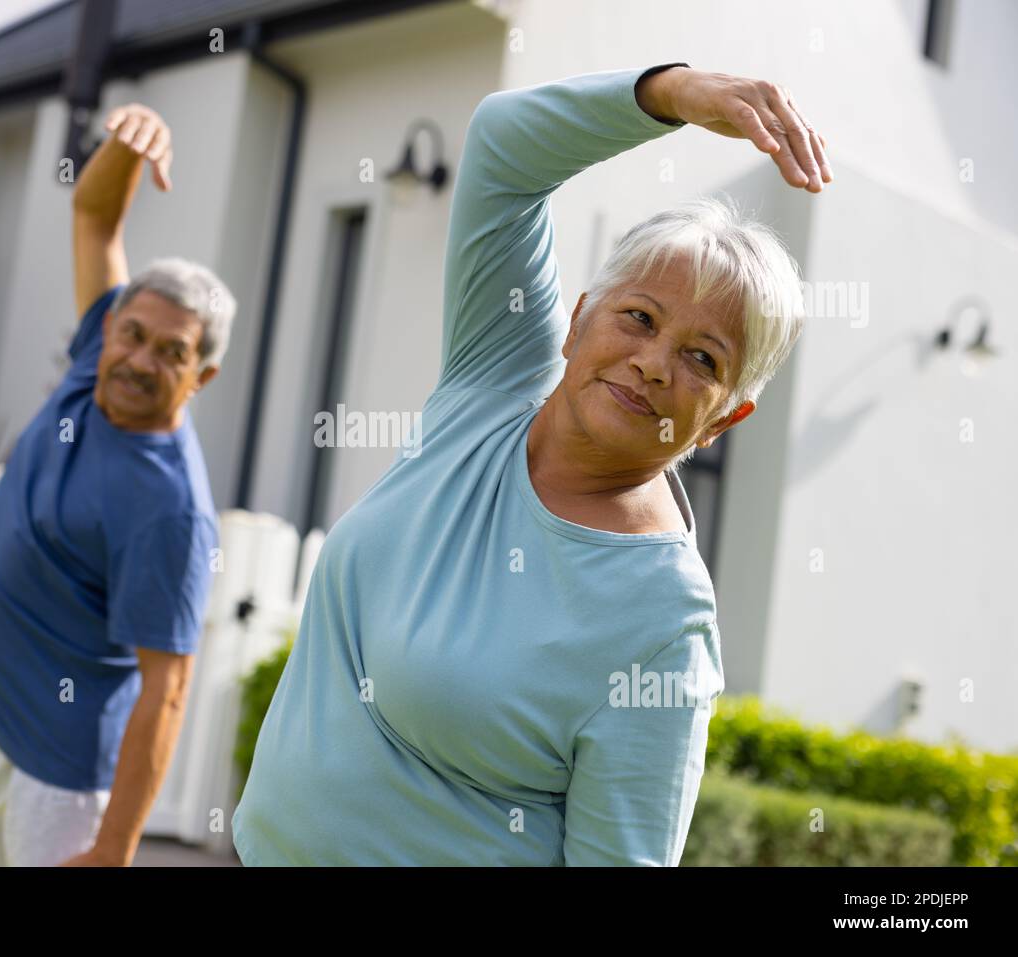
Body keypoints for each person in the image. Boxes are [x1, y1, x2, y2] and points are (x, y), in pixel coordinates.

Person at [232, 62, 828, 865]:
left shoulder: (662, 620)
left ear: (725, 418)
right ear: (579, 318)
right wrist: (677, 93)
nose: (654, 362)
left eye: (702, 358)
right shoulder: (494, 376)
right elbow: (503, 149)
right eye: (639, 316)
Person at [0, 103, 236, 866]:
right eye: (133, 334)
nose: (141, 361)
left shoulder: (170, 509)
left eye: (171, 353)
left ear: (201, 376)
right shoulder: (90, 364)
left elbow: (166, 690)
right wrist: (128, 142)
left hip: (62, 781)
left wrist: (114, 848)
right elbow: (96, 216)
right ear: (108, 326)